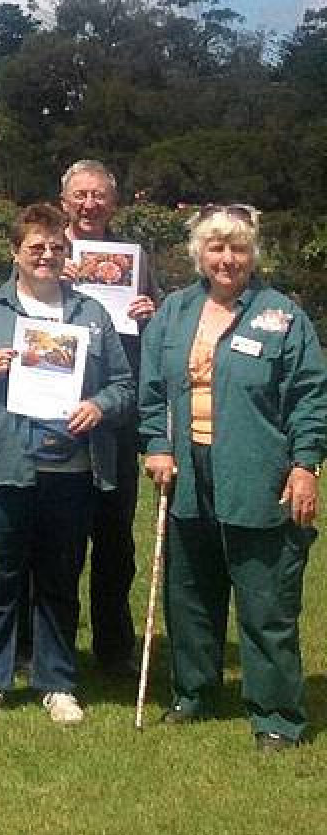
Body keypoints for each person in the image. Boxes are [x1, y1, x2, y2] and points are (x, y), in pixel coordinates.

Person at [140, 206, 325, 751]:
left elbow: (309, 397)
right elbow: (153, 390)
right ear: (199, 254)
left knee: (266, 600)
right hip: (187, 471)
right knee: (190, 593)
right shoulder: (174, 312)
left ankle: (277, 715)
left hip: (257, 473)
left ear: (253, 255)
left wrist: (305, 464)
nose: (227, 259)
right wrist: (156, 445)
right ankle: (194, 693)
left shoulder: (283, 317)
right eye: (216, 248)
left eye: (238, 248)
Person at [0, 203, 131, 725]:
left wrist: (100, 406)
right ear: (15, 253)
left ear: (66, 253)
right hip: (2, 466)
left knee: (59, 579)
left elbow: (124, 385)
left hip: (70, 471)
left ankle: (57, 682)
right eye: (36, 247)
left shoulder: (92, 313)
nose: (46, 255)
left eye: (55, 247)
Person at [59, 159, 159, 675]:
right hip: (56, 413)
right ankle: (48, 642)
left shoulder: (134, 260)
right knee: (55, 537)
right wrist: (55, 284)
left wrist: (151, 316)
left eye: (98, 195)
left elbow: (158, 338)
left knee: (115, 537)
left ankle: (114, 647)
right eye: (80, 195)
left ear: (113, 203)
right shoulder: (45, 252)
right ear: (64, 202)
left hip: (116, 418)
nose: (89, 204)